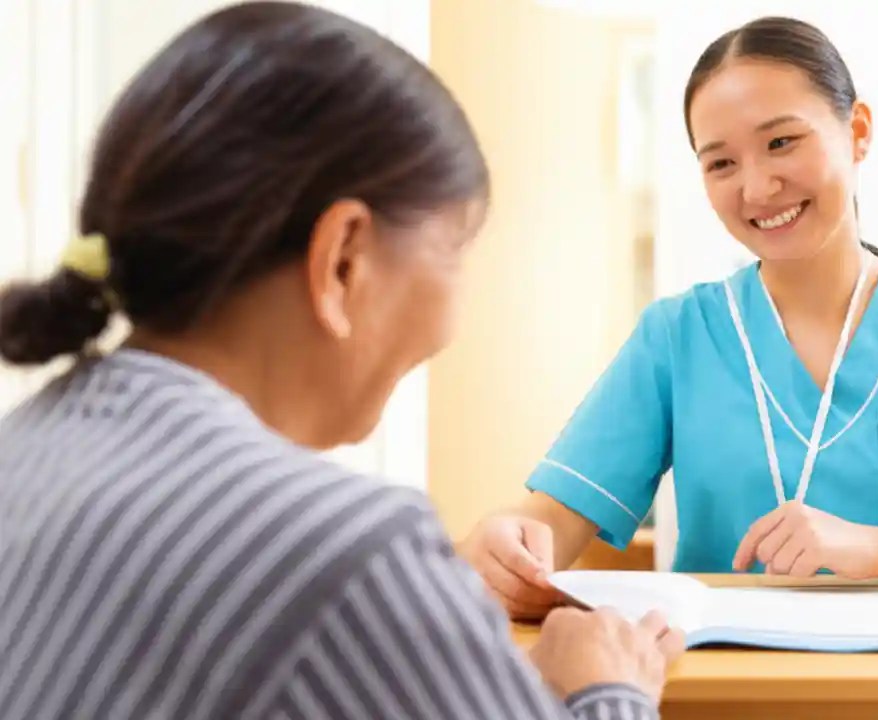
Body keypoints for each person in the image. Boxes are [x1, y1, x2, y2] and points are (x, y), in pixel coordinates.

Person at [0, 3, 682, 719]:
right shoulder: (346, 553)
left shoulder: (24, 450)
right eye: (454, 247)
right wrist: (612, 692)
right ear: (344, 260)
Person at [463, 16, 878, 621]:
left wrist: (874, 548)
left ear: (857, 132)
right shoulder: (677, 337)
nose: (756, 188)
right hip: (720, 681)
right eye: (721, 163)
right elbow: (553, 519)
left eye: (781, 142)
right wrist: (508, 545)